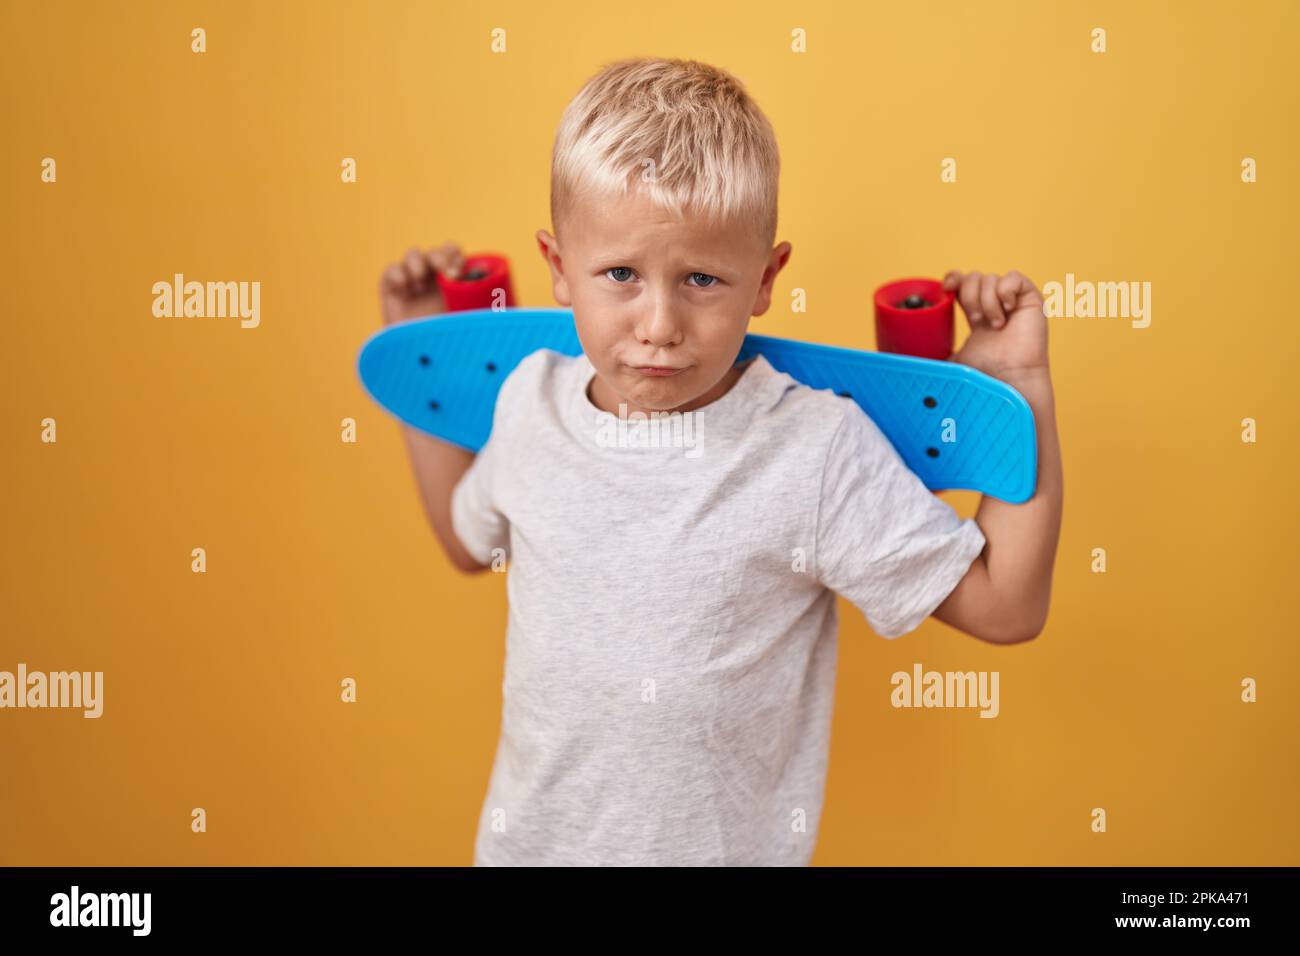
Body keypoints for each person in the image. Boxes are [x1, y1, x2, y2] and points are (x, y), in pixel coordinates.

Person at [376, 57, 1063, 866]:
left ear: (766, 279)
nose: (659, 324)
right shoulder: (529, 404)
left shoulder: (811, 450)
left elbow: (1006, 609)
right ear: (560, 268)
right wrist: (415, 363)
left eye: (702, 278)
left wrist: (1018, 390)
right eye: (620, 275)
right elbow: (469, 544)